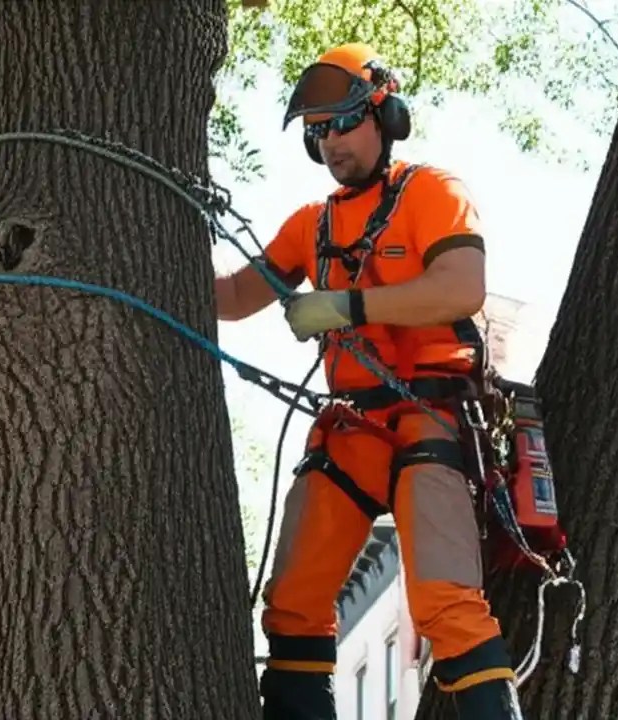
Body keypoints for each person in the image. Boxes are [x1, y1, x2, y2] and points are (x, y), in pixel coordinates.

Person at [214, 42, 524, 720]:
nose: (329, 143)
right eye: (316, 131)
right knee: (294, 597)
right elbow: (236, 296)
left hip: (432, 412)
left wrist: (349, 306)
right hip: (355, 424)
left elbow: (460, 286)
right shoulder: (312, 226)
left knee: (443, 599)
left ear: (386, 115)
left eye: (342, 122)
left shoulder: (431, 194)